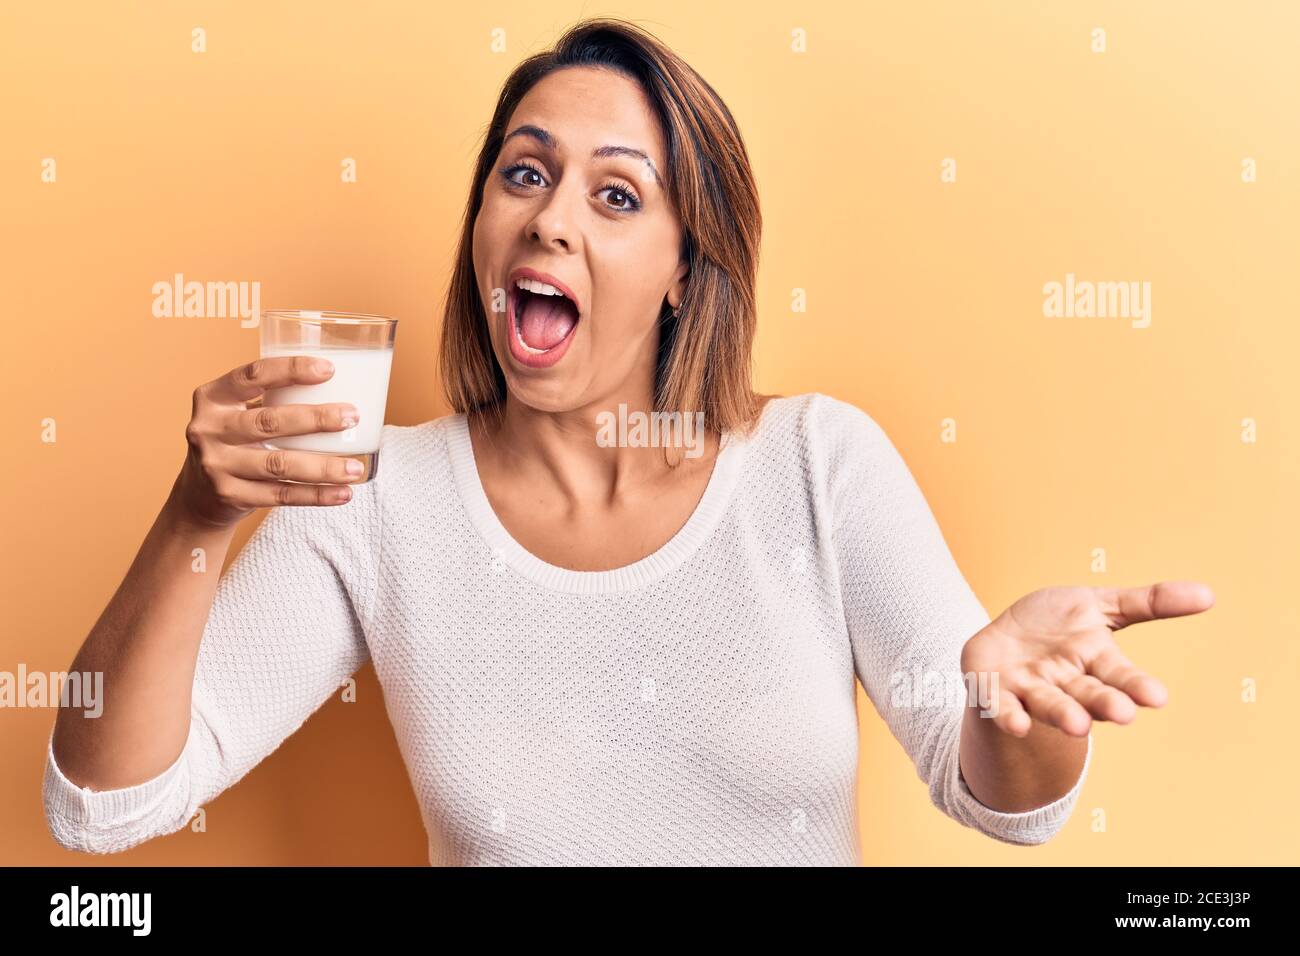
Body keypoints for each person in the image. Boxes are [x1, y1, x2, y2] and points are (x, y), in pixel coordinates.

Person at [43, 17, 1213, 865]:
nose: (549, 215)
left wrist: (1023, 713)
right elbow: (103, 805)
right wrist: (194, 521)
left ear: (680, 270)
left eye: (614, 195)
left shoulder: (815, 466)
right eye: (524, 174)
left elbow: (1001, 797)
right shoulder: (375, 499)